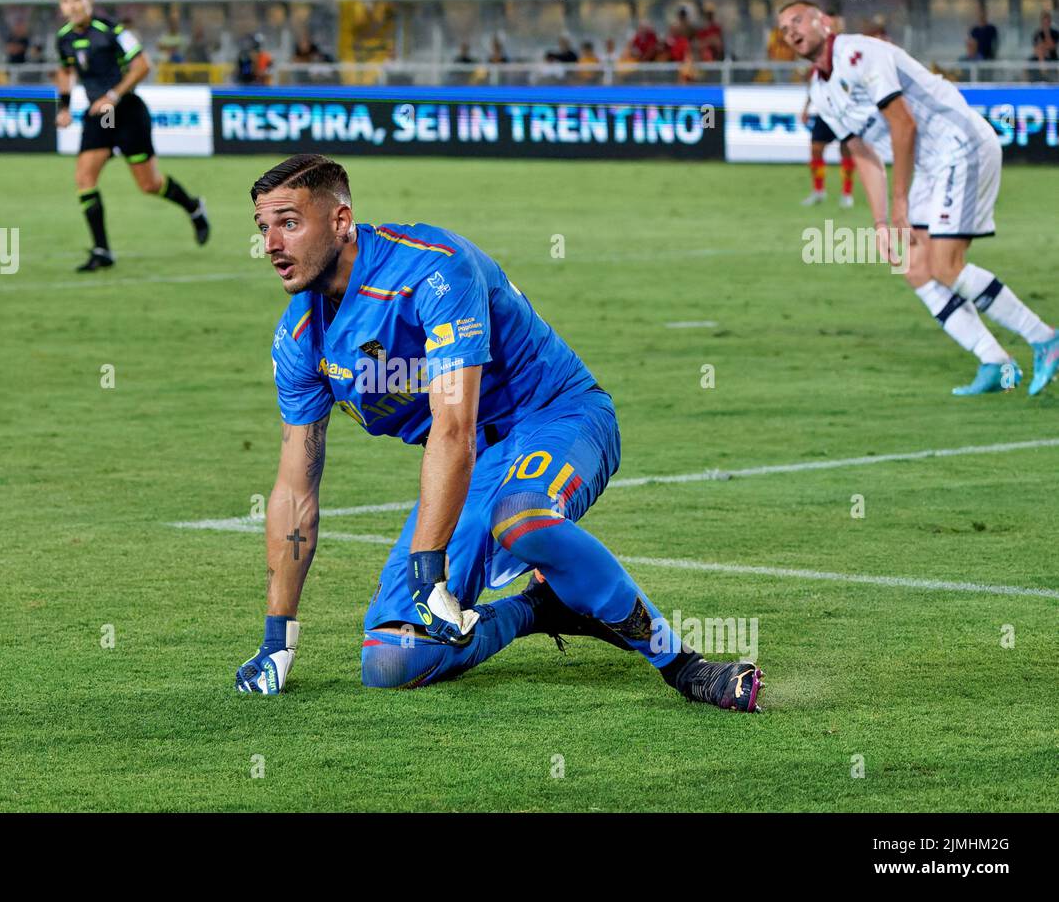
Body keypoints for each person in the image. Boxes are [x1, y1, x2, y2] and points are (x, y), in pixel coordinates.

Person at [235, 154, 763, 710]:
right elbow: (295, 491)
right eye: (263, 227)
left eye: (289, 222)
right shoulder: (299, 339)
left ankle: (684, 666)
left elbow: (453, 426)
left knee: (521, 515)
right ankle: (543, 607)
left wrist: (428, 574)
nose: (271, 243)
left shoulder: (434, 270)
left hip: (558, 415)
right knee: (391, 658)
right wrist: (278, 640)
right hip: (478, 458)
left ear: (341, 221)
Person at [778, 0, 1059, 397]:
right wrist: (880, 224)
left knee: (946, 266)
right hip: (931, 167)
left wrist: (899, 204)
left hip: (960, 145)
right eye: (784, 28)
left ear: (823, 22)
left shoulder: (859, 54)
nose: (791, 30)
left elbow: (903, 125)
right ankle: (994, 361)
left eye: (798, 20)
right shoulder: (820, 93)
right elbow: (863, 155)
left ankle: (1045, 338)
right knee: (913, 265)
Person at [54, 0, 210, 273]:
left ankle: (193, 207)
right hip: (97, 115)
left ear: (89, 2)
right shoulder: (63, 38)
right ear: (61, 7)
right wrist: (63, 107)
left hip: (126, 112)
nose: (72, 6)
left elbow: (142, 65)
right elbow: (65, 71)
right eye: (66, 1)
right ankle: (102, 251)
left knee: (150, 185)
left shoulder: (112, 31)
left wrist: (112, 96)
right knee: (84, 178)